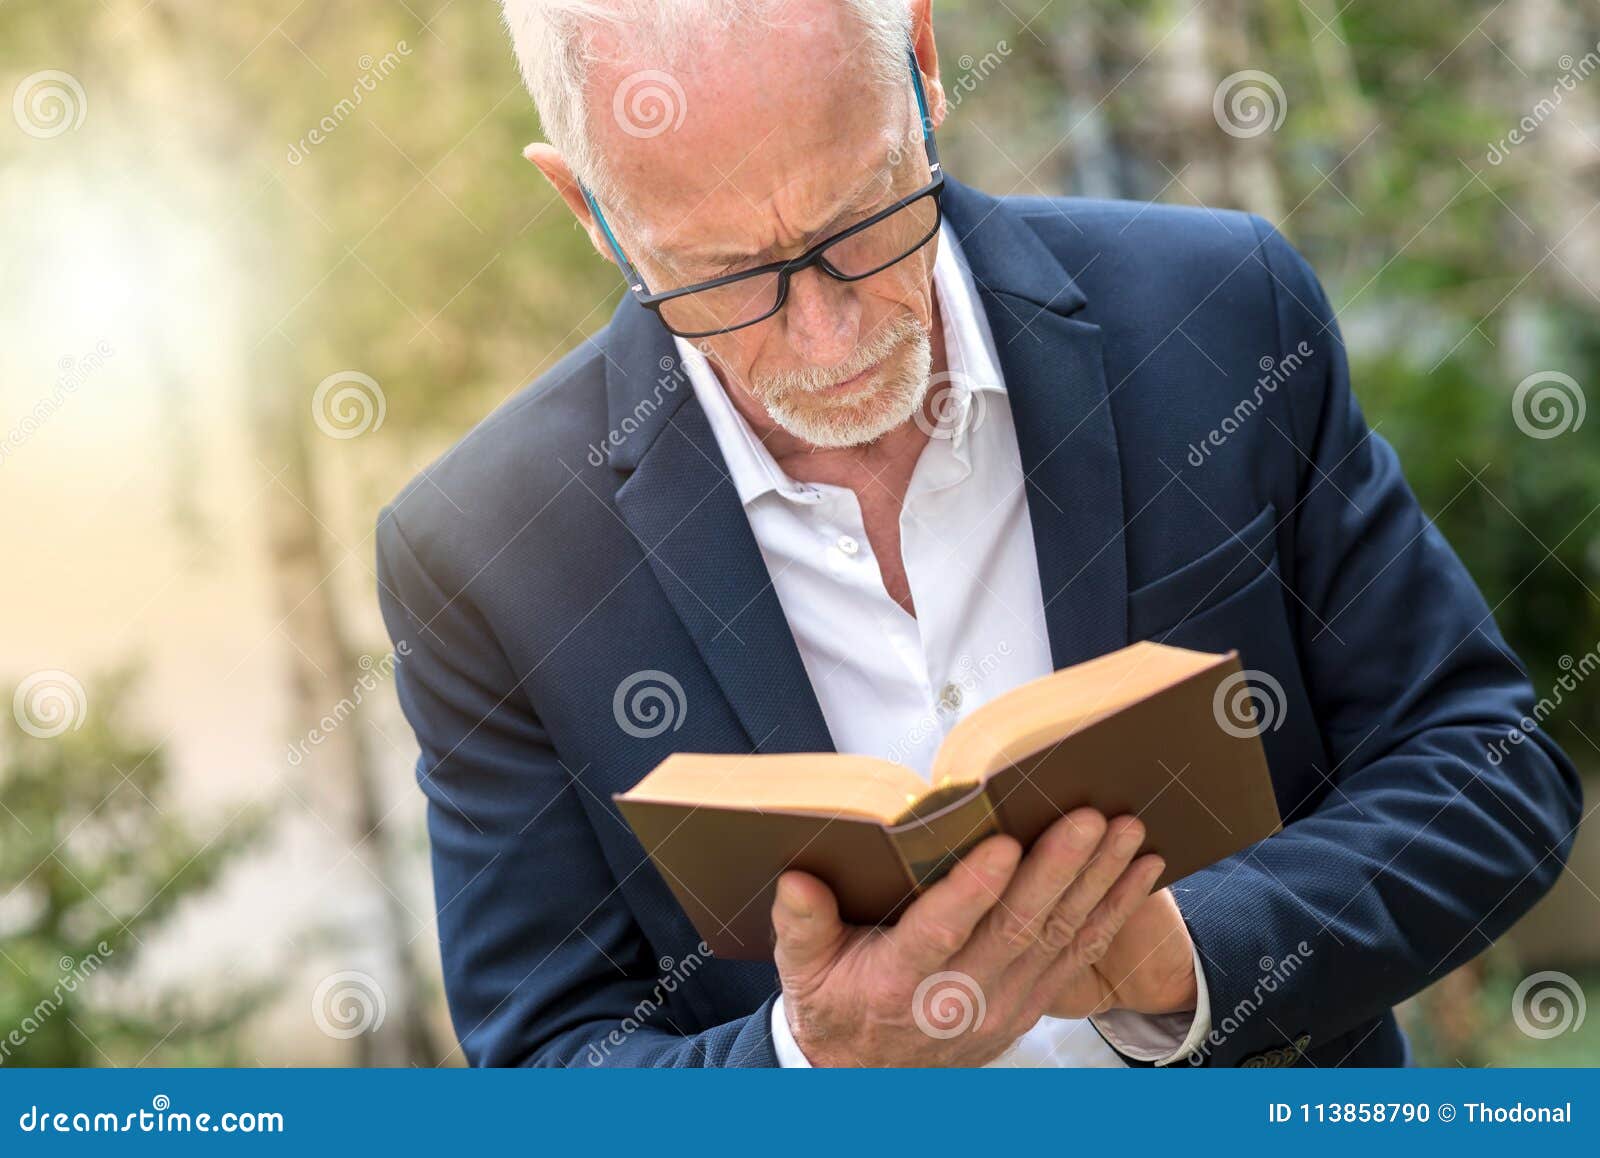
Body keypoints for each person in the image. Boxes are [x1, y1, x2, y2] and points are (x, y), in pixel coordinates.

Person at [375, 0, 1582, 1067]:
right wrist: (812, 1065)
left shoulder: (1215, 310)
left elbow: (1488, 771)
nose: (827, 338)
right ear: (585, 206)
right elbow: (548, 1064)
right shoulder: (481, 552)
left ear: (921, 56)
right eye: (723, 279)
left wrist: (1191, 961)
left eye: (861, 224)